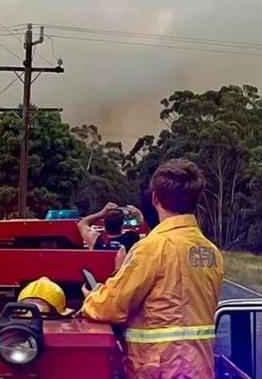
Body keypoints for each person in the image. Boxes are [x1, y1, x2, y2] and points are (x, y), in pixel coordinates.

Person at [81, 159, 223, 379]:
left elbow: (112, 306)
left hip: (161, 371)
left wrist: (91, 298)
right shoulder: (211, 251)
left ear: (155, 198)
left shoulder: (153, 248)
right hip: (199, 370)